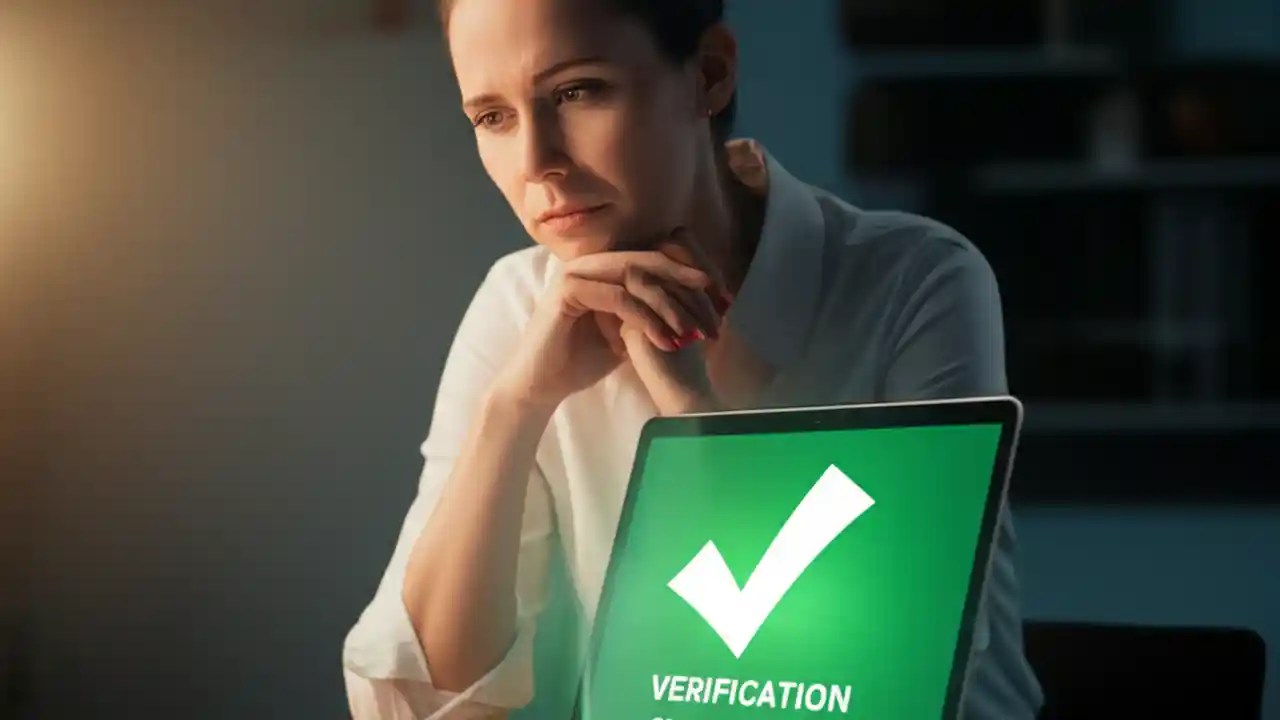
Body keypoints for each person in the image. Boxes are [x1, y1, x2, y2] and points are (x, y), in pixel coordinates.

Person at [342, 0, 1044, 717]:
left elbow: (876, 680)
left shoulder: (913, 280)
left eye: (577, 92)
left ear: (709, 75)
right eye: (492, 117)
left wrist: (690, 415)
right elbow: (428, 695)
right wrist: (516, 406)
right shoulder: (522, 301)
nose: (536, 164)